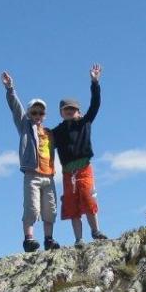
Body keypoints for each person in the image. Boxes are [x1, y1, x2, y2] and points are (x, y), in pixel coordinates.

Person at [2, 70, 60, 251]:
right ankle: (29, 239)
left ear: (45, 115)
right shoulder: (25, 126)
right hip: (32, 174)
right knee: (32, 209)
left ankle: (49, 239)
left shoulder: (50, 133)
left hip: (49, 176)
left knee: (50, 210)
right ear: (29, 114)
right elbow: (15, 107)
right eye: (34, 112)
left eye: (40, 113)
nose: (37, 116)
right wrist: (10, 88)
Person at [52, 63, 108, 246]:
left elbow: (95, 104)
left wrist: (95, 82)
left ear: (78, 111)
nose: (70, 112)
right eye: (66, 110)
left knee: (88, 198)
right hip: (68, 172)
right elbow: (44, 141)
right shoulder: (57, 132)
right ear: (61, 113)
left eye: (73, 109)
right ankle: (78, 239)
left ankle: (95, 231)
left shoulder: (85, 122)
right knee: (71, 204)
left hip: (84, 168)